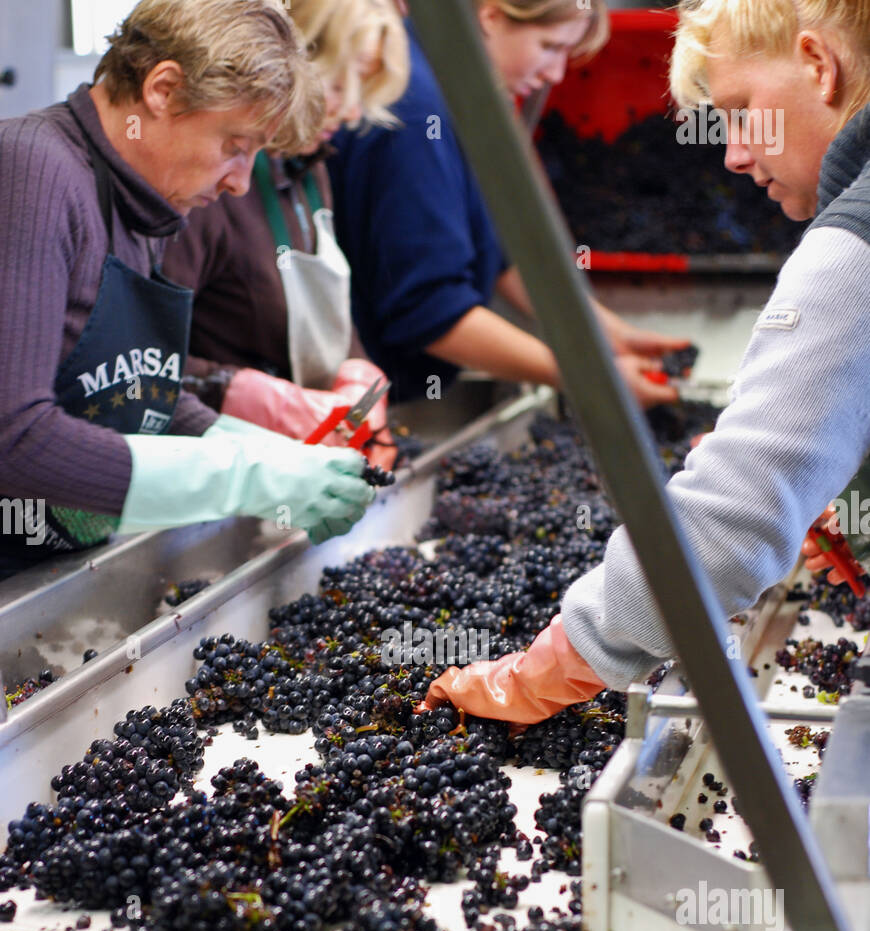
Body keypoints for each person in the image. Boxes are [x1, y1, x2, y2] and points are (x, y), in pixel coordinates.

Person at [422, 0, 870, 722]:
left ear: (818, 66)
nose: (732, 154)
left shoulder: (856, 246)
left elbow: (730, 516)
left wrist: (548, 670)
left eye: (739, 111)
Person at [0, 0, 373, 583]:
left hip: (50, 569)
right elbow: (13, 439)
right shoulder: (34, 171)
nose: (240, 182)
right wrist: (244, 475)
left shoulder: (140, 204)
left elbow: (136, 396)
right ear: (164, 89)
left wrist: (277, 455)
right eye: (235, 145)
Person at [328, 0, 692, 407]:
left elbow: (496, 251)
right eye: (549, 47)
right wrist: (592, 377)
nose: (555, 73)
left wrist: (606, 335)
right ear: (491, 15)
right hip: (358, 398)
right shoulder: (418, 111)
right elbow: (429, 311)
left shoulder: (452, 89)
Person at [163, 0, 410, 468]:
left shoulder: (309, 170)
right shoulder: (209, 188)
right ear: (290, 63)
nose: (353, 109)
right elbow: (140, 366)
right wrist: (242, 394)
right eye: (339, 85)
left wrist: (356, 372)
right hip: (212, 469)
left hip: (300, 464)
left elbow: (324, 315)